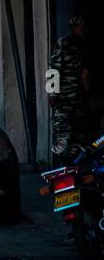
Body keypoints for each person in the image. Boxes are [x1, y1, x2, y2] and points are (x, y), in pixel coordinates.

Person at [50, 16, 91, 159]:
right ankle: (57, 170)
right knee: (63, 137)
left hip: (78, 99)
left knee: (77, 138)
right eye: (80, 27)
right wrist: (52, 94)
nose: (83, 30)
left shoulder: (84, 46)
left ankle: (72, 168)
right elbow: (53, 70)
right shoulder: (63, 43)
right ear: (74, 28)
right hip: (64, 99)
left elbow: (85, 74)